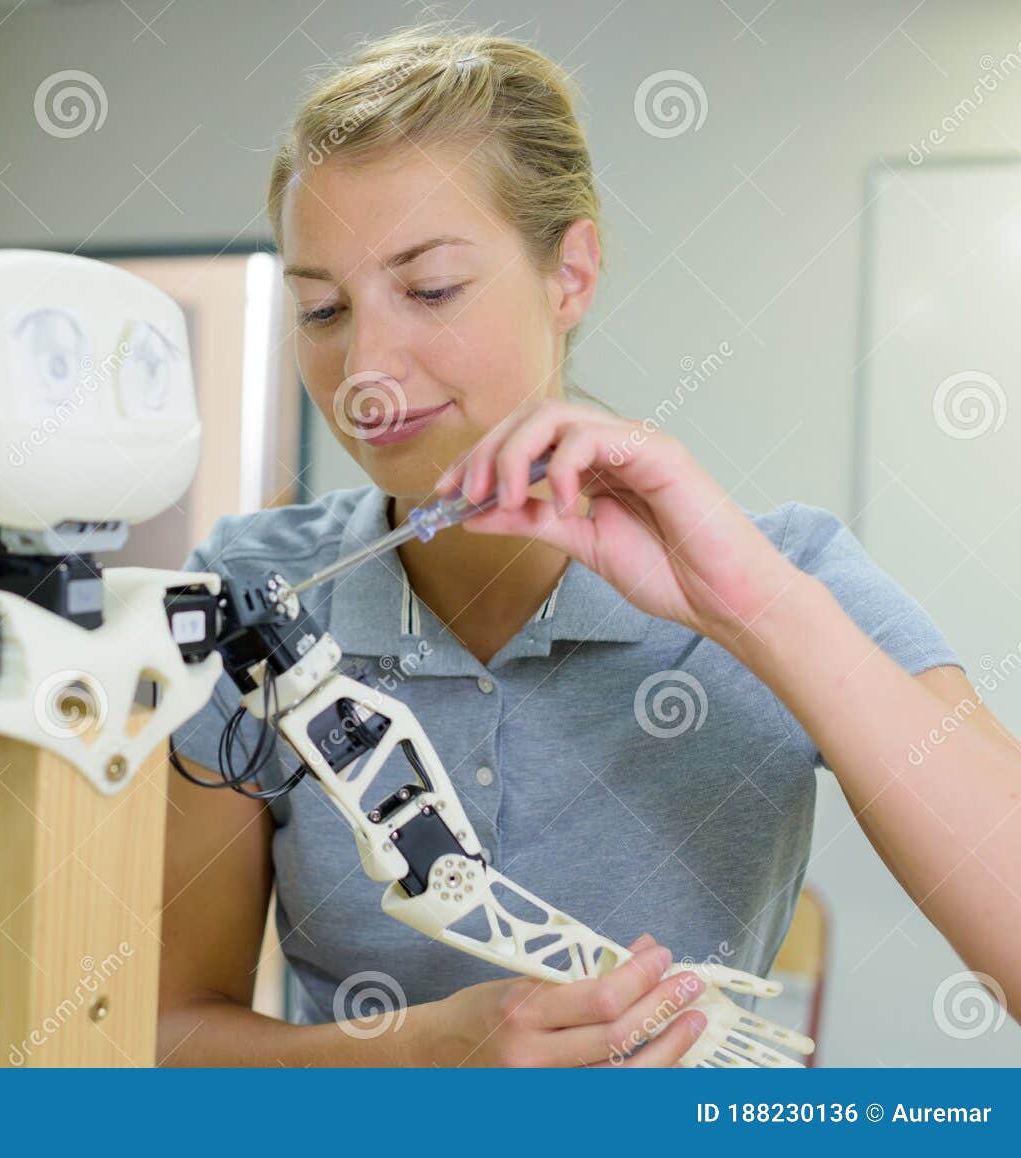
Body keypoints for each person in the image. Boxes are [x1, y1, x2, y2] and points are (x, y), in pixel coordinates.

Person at [158, 26, 1021, 1067]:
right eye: (322, 309)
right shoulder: (252, 593)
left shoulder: (789, 573)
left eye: (431, 289)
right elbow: (160, 1038)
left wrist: (752, 608)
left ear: (569, 274)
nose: (366, 366)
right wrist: (424, 1060)